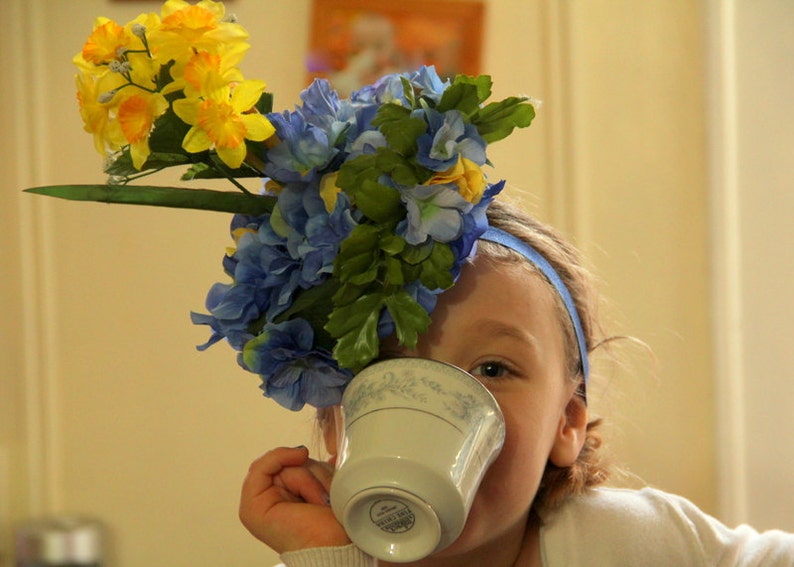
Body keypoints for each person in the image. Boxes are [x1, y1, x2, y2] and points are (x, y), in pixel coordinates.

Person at [238, 200, 794, 566]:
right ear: (336, 422)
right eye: (383, 366)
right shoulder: (321, 555)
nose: (437, 406)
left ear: (566, 423)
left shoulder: (626, 541)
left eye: (492, 370)